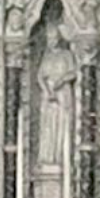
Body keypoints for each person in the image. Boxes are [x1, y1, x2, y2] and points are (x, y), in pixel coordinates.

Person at [36, 21, 76, 166]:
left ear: (59, 38)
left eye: (53, 38)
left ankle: (60, 157)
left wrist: (62, 80)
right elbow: (39, 75)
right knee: (48, 126)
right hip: (49, 95)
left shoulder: (66, 55)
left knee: (61, 123)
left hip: (63, 93)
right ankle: (48, 157)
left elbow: (73, 73)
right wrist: (47, 90)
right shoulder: (46, 56)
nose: (50, 41)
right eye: (48, 39)